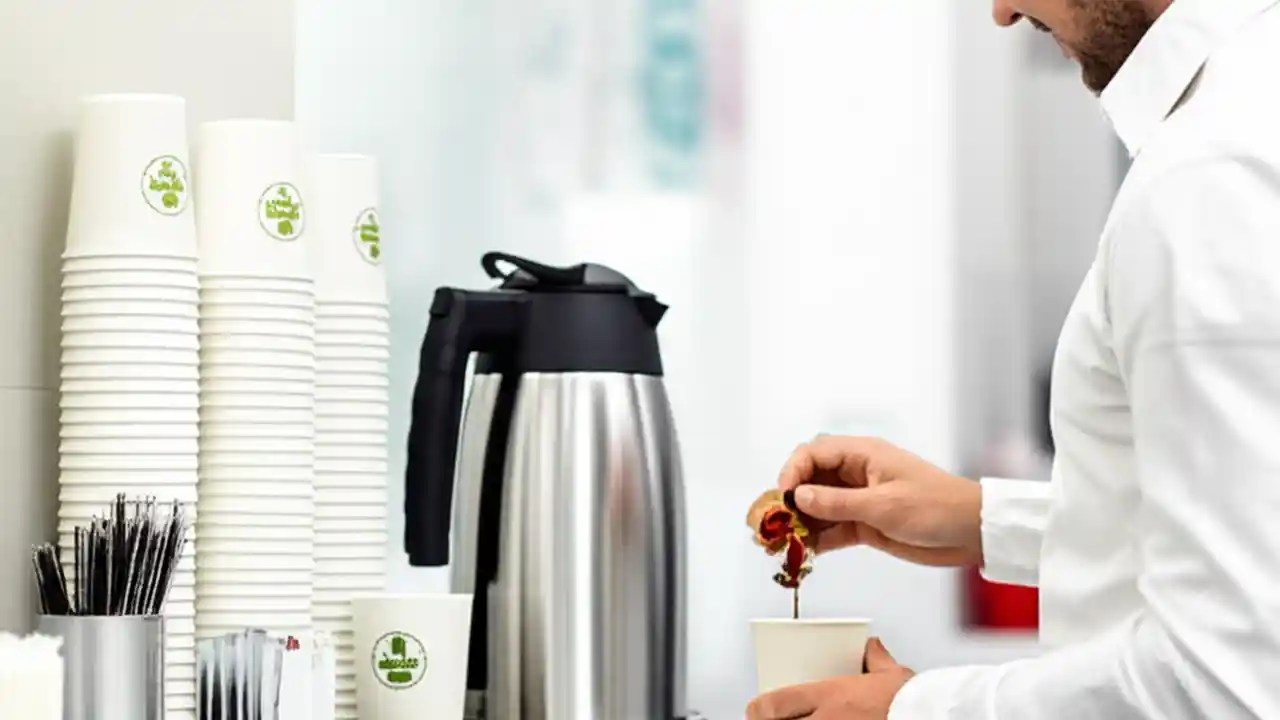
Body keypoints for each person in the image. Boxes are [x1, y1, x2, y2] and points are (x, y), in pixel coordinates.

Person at [746, 0, 1280, 717]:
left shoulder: (1207, 176)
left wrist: (911, 709)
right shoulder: (1243, 114)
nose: (1002, 12)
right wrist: (983, 521)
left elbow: (1224, 681)